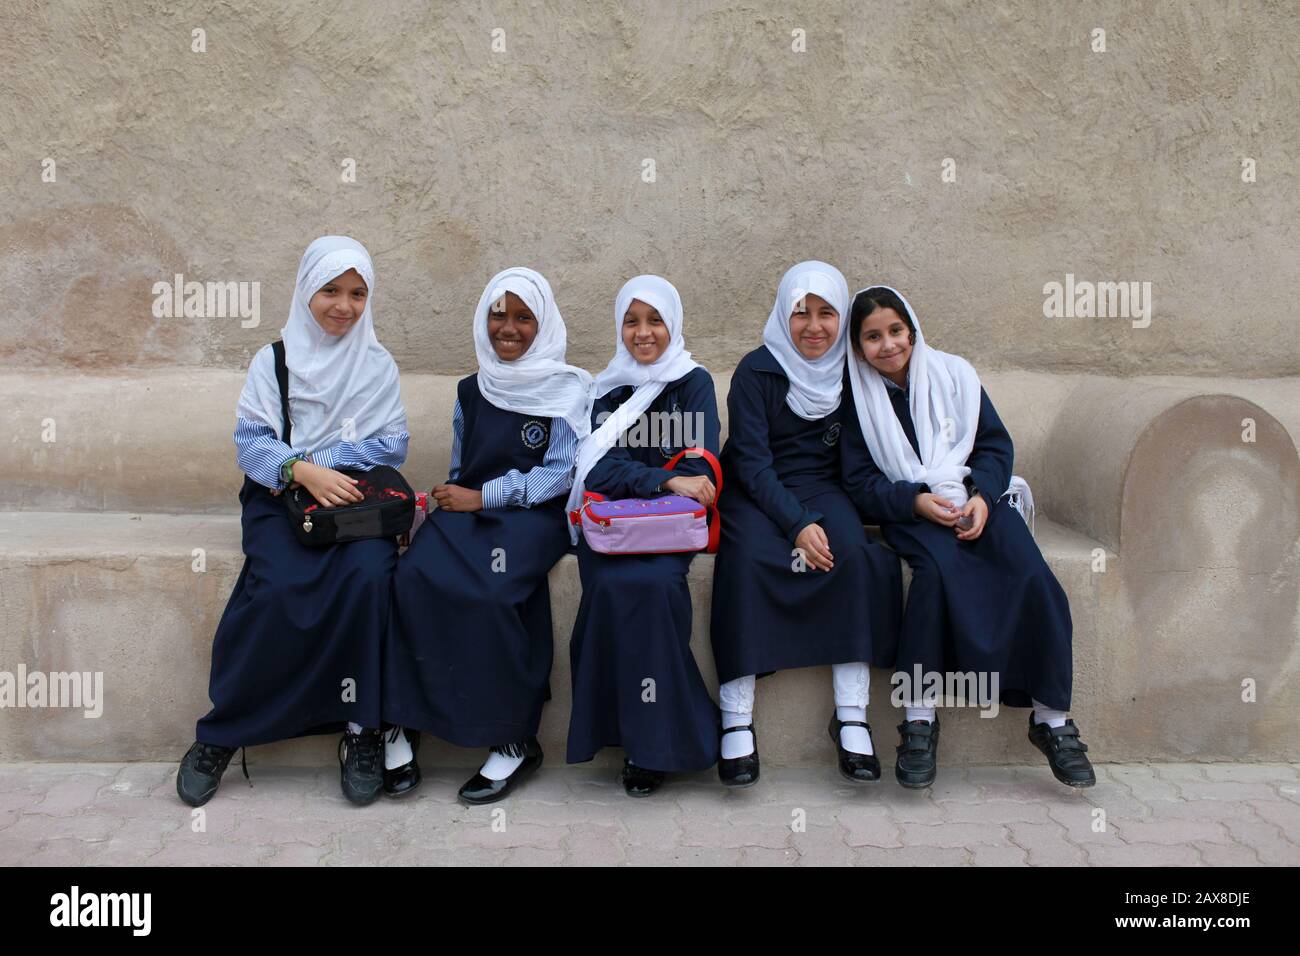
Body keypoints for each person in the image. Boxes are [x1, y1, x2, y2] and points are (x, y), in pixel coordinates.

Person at [178, 236, 410, 808]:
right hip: (279, 497)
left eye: (358, 293)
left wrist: (329, 468)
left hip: (354, 502)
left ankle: (362, 731)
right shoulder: (274, 361)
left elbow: (393, 444)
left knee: (367, 578)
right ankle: (224, 733)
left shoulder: (377, 364)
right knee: (276, 589)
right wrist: (302, 469)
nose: (344, 305)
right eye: (331, 290)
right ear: (307, 290)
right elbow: (251, 445)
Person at [841, 284, 1095, 788]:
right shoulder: (857, 400)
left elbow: (994, 444)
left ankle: (1052, 721)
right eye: (872, 337)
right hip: (913, 512)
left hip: (980, 500)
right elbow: (858, 480)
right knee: (935, 576)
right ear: (858, 346)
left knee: (1032, 576)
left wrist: (982, 495)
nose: (887, 345)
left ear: (912, 330)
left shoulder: (955, 376)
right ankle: (919, 719)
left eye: (896, 331)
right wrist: (913, 501)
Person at [383, 267, 592, 805]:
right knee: (412, 575)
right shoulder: (471, 389)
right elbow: (460, 464)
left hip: (532, 516)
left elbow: (562, 474)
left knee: (494, 592)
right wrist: (445, 504)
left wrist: (487, 497)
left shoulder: (568, 389)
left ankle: (513, 737)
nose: (509, 327)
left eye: (525, 317)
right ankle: (403, 721)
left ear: (542, 325)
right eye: (499, 314)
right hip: (467, 509)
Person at [709, 261, 903, 788]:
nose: (813, 327)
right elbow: (749, 461)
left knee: (855, 558)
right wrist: (797, 524)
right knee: (746, 562)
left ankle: (851, 713)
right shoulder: (756, 371)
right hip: (754, 491)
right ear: (783, 315)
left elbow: (862, 455)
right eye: (801, 313)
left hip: (824, 488)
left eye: (826, 314)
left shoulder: (850, 372)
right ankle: (736, 717)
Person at [565, 275, 721, 796]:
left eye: (655, 320)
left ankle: (653, 746)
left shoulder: (691, 382)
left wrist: (667, 477)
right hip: (611, 530)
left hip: (669, 531)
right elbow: (597, 470)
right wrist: (663, 477)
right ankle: (625, 735)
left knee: (655, 589)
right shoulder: (607, 387)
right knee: (610, 588)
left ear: (672, 324)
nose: (643, 333)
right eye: (631, 321)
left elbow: (701, 463)